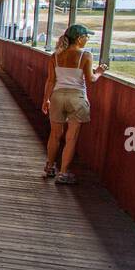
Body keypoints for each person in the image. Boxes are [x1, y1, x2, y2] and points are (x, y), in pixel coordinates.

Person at [42, 23, 104, 184]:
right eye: (86, 37)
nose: (87, 39)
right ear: (79, 39)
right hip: (76, 98)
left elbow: (50, 80)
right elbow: (91, 79)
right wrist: (99, 72)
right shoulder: (85, 55)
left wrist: (45, 99)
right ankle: (63, 173)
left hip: (57, 96)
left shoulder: (55, 56)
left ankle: (49, 167)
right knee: (71, 137)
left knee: (55, 134)